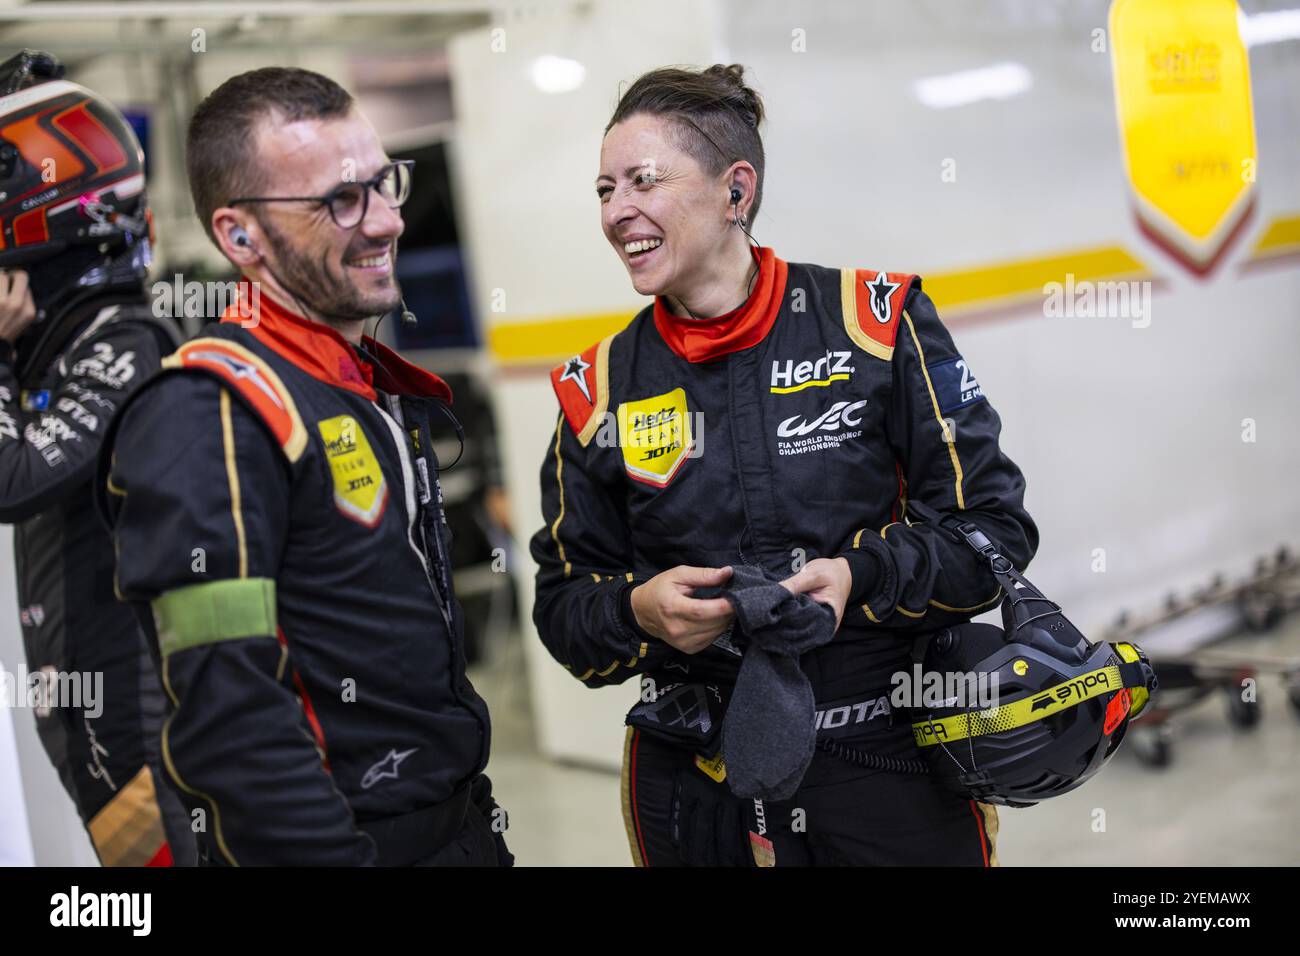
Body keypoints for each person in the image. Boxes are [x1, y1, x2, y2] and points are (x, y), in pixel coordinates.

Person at [531, 64, 1038, 866]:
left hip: (890, 765)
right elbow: (563, 610)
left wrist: (858, 577)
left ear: (737, 190)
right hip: (696, 780)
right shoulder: (595, 389)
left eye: (642, 181)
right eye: (603, 188)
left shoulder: (875, 323)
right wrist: (637, 612)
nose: (617, 210)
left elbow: (993, 536)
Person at [97, 67, 508, 866]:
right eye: (340, 199)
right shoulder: (208, 411)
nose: (388, 220)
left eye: (385, 183)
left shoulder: (353, 381)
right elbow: (232, 720)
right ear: (240, 236)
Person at [0, 51, 192, 866]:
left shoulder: (125, 338)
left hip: (134, 716)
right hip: (82, 709)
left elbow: (12, 481)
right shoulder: (48, 345)